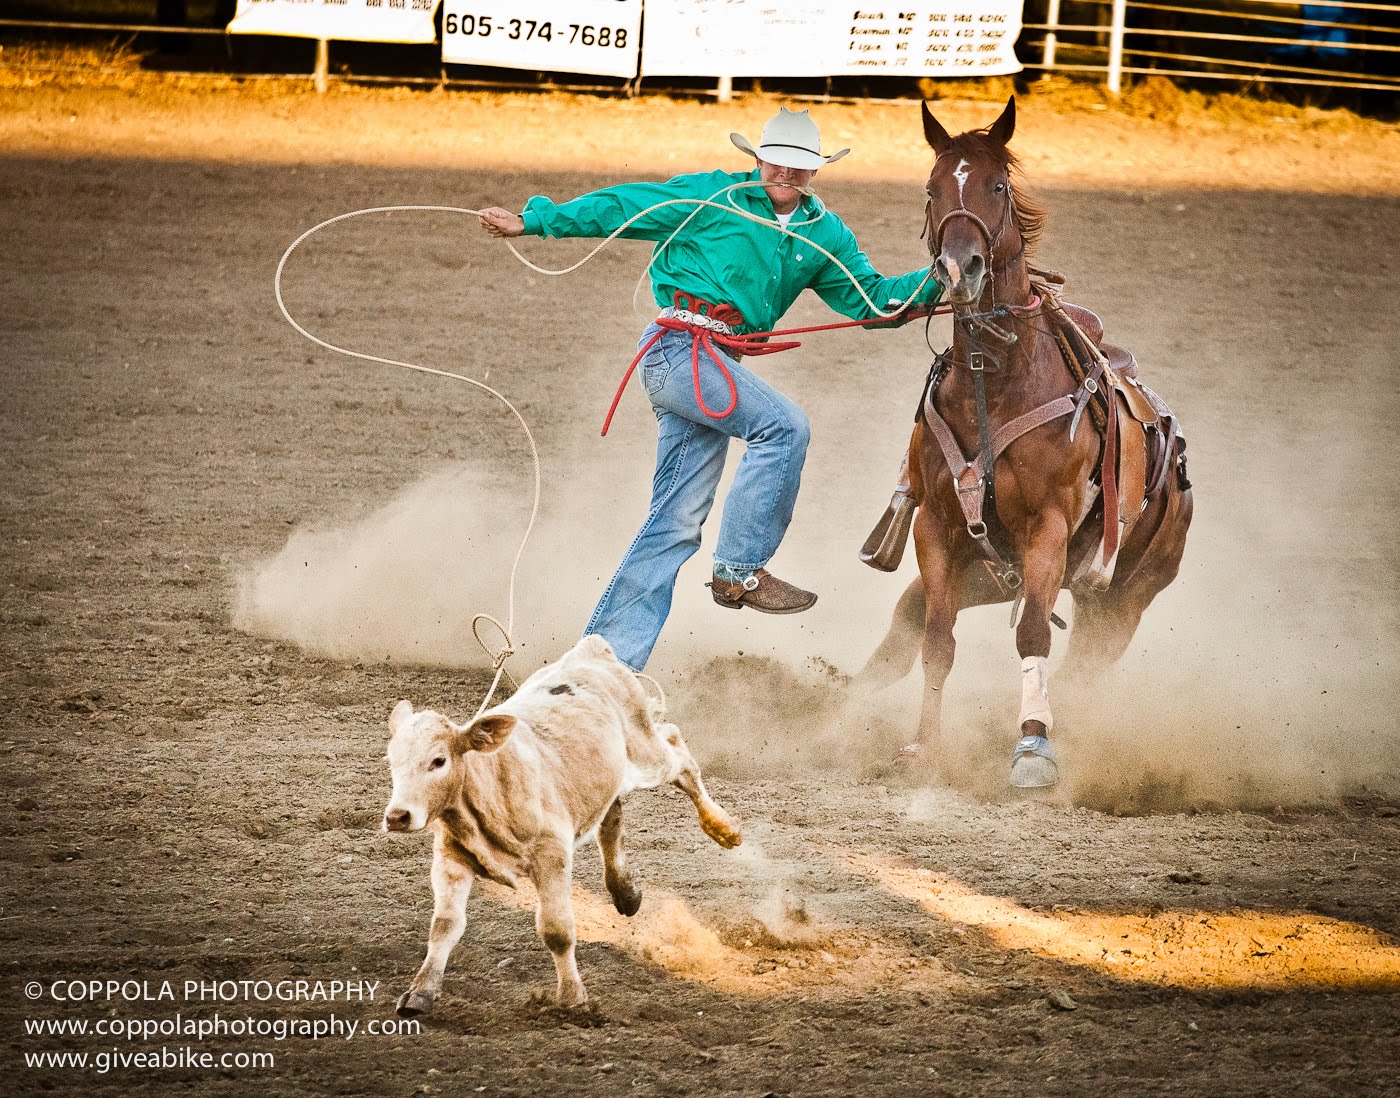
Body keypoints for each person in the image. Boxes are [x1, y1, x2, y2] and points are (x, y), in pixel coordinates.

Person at [478, 107, 941, 671]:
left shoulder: (826, 234)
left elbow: (870, 301)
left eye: (799, 167)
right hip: (677, 350)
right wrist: (537, 221)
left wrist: (943, 276)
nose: (787, 175)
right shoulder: (709, 197)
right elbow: (628, 205)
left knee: (672, 525)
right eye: (778, 163)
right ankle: (739, 568)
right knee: (783, 425)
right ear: (758, 159)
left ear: (816, 171)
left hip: (709, 364)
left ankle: (604, 667)